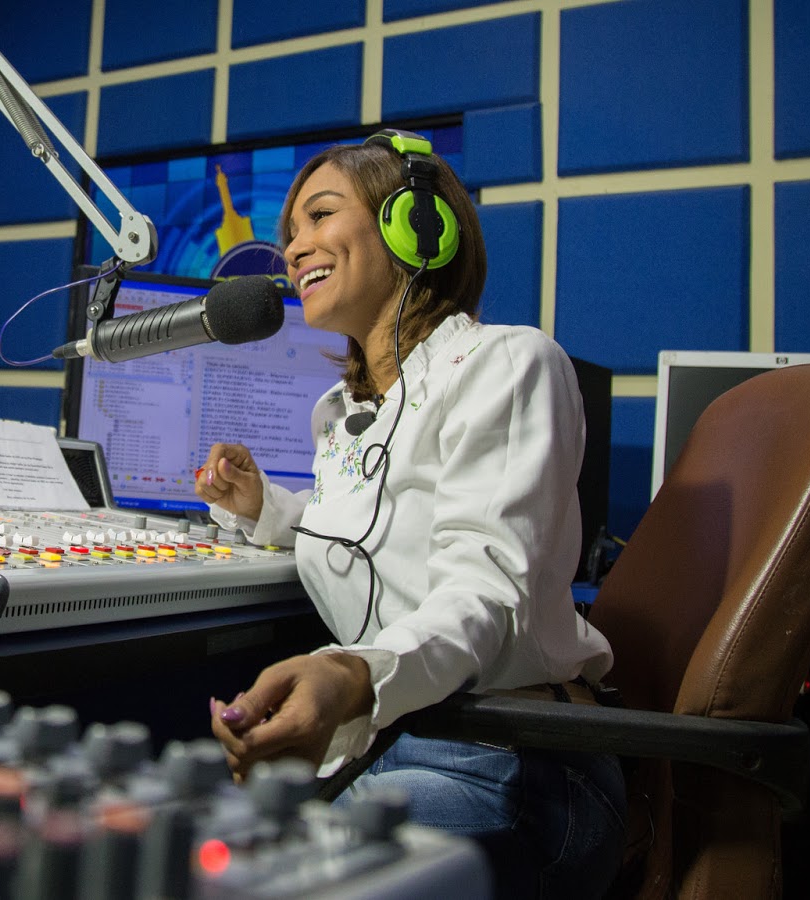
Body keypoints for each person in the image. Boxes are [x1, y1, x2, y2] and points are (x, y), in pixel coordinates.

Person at [197, 131, 624, 899]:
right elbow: (381, 542)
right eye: (290, 233)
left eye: (320, 217)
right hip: (396, 740)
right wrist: (268, 510)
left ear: (415, 228)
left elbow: (484, 594)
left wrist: (351, 672)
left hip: (516, 758)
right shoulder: (344, 411)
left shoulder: (510, 363)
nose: (295, 249)